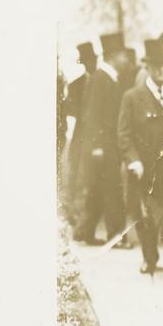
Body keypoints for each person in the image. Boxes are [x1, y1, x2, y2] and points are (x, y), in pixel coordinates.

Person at [117, 38, 163, 277]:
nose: (162, 71)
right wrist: (133, 160)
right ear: (147, 67)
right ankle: (150, 260)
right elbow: (124, 135)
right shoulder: (132, 97)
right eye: (156, 66)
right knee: (148, 221)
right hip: (147, 172)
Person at [75, 32, 132, 248]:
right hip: (103, 147)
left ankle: (86, 233)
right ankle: (116, 237)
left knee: (99, 189)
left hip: (107, 146)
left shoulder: (107, 77)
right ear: (112, 56)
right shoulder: (101, 78)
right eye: (122, 55)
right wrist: (97, 146)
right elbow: (92, 115)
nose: (125, 59)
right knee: (112, 189)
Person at [65, 42, 99, 231]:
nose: (89, 65)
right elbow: (72, 109)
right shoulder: (76, 84)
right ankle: (76, 217)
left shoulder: (102, 81)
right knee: (78, 174)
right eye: (86, 62)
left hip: (96, 135)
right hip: (81, 134)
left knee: (92, 177)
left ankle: (88, 222)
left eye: (91, 61)